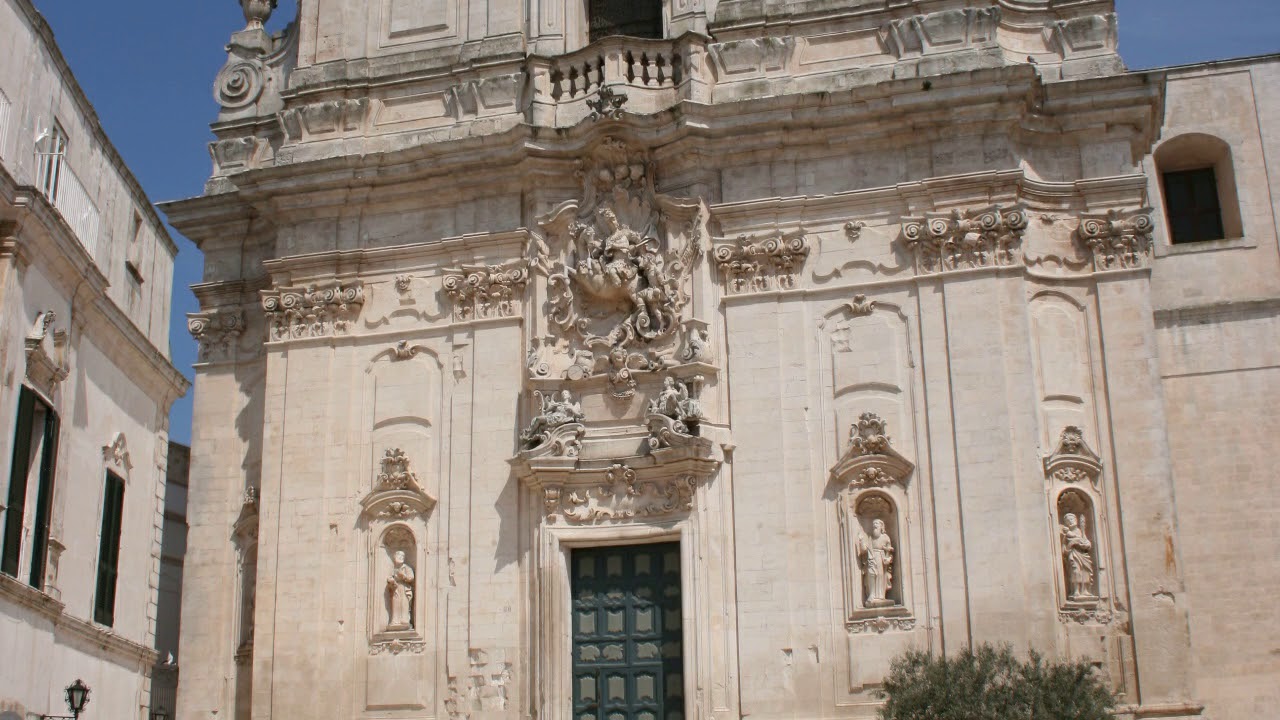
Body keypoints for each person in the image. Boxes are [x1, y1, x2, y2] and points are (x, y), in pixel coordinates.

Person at [859, 519, 894, 606]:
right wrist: (862, 540)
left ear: (881, 526)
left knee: (880, 575)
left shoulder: (885, 537)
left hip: (881, 558)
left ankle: (881, 595)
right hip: (871, 557)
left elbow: (890, 550)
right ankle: (872, 594)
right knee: (871, 574)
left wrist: (887, 556)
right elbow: (864, 550)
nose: (875, 525)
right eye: (873, 523)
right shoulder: (870, 537)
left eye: (877, 523)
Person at [1061, 513, 1095, 599]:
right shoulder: (1066, 535)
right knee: (1075, 571)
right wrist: (1071, 545)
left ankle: (1085, 590)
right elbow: (1064, 549)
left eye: (1071, 519)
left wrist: (1086, 544)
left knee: (1085, 571)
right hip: (1074, 555)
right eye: (1067, 521)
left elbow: (1087, 543)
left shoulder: (1080, 532)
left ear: (1076, 520)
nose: (1070, 522)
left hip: (1083, 555)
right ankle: (1076, 590)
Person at [387, 550, 415, 629]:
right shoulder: (393, 568)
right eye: (399, 556)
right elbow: (389, 577)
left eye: (402, 556)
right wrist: (391, 581)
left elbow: (411, 577)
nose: (400, 557)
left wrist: (403, 576)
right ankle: (395, 620)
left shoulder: (406, 568)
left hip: (404, 587)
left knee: (404, 603)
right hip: (395, 588)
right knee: (396, 604)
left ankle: (404, 620)